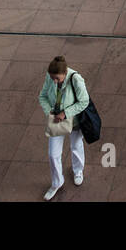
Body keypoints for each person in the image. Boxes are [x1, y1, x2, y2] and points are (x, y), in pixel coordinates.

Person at [38, 55, 91, 200]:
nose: (54, 81)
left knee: (76, 146)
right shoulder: (50, 77)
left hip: (74, 121)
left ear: (65, 73)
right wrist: (49, 110)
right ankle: (57, 182)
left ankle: (78, 171)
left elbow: (84, 101)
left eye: (57, 79)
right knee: (53, 154)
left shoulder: (75, 79)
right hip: (56, 121)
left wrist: (66, 113)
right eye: (52, 78)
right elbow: (42, 96)